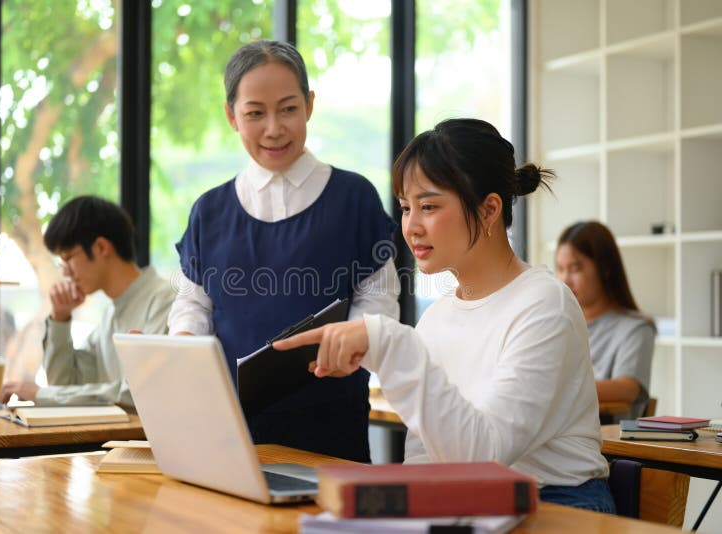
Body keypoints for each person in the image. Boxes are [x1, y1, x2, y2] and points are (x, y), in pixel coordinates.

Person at [274, 118, 615, 513]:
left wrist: (388, 342)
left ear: (489, 209)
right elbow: (425, 459)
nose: (411, 227)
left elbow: (484, 457)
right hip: (469, 500)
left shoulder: (545, 304)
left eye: (429, 206)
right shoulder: (438, 317)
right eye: (406, 208)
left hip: (556, 505)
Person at [168, 40, 399, 463]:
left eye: (288, 109)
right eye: (255, 113)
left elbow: (379, 298)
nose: (274, 128)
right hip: (228, 434)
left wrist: (354, 340)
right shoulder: (209, 211)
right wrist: (182, 344)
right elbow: (193, 303)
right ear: (231, 116)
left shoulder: (354, 198)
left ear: (309, 105)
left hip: (331, 431)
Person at [0, 196, 174, 409]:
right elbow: (64, 384)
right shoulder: (111, 314)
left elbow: (138, 393)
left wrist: (43, 394)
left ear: (101, 247)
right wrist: (60, 319)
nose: (65, 272)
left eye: (68, 258)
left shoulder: (164, 301)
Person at [555, 221, 655, 420]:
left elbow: (627, 389)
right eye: (560, 268)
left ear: (605, 268)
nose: (565, 280)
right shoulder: (557, 323)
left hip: (606, 435)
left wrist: (556, 388)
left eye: (575, 269)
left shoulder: (635, 328)